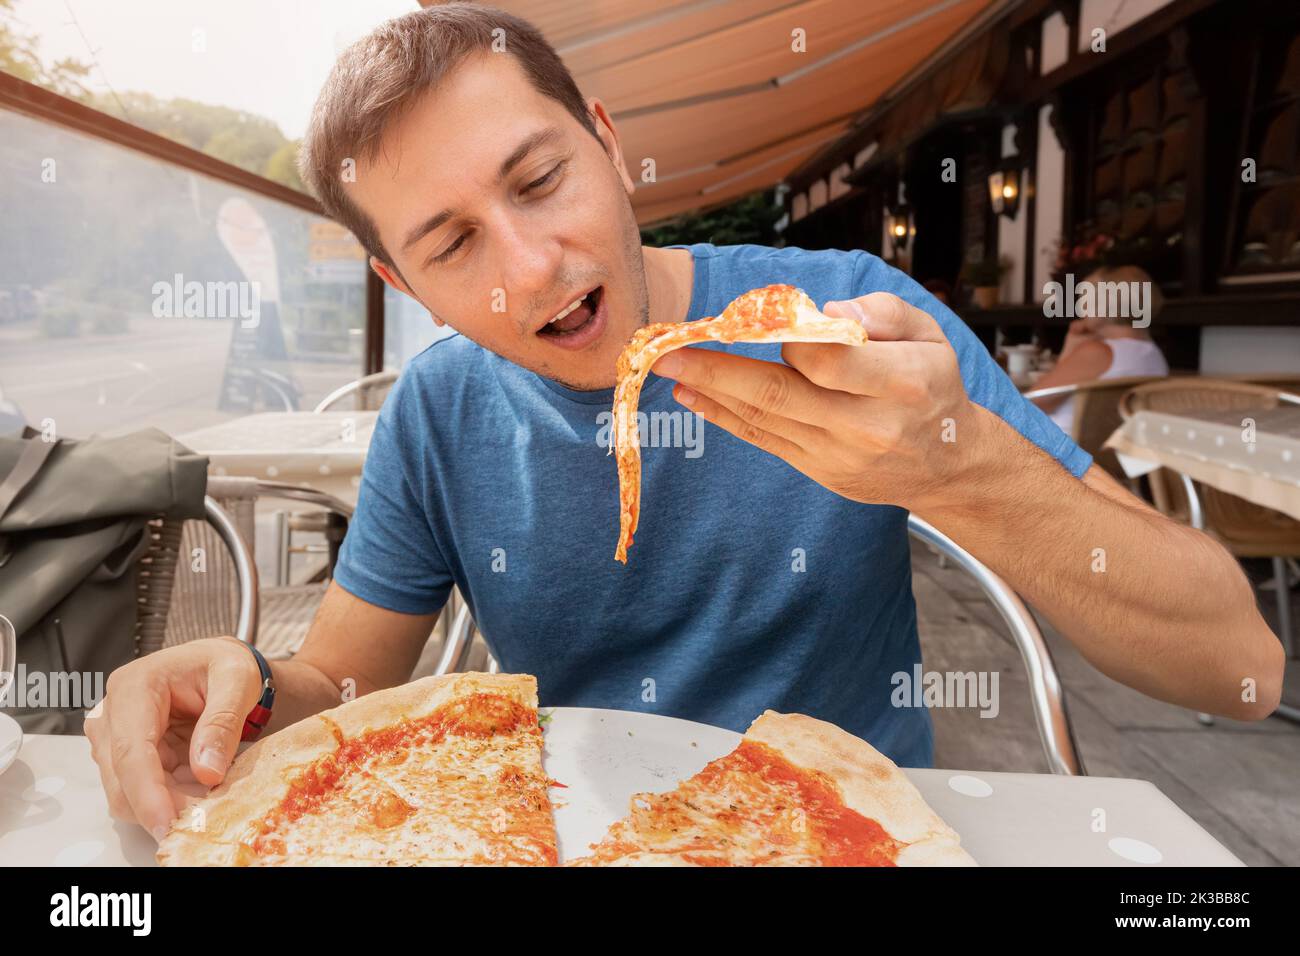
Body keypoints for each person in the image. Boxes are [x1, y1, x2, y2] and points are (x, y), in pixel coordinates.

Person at [84, 3, 1282, 842]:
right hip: (564, 835)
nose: (532, 261)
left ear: (609, 146)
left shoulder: (853, 320)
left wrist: (963, 466)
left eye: (541, 179)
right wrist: (236, 691)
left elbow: (1236, 664)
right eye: (450, 244)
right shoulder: (438, 414)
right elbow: (338, 687)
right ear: (405, 288)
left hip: (854, 828)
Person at [1031, 265, 1170, 434]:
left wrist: (1068, 351)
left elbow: (1029, 406)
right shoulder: (1153, 355)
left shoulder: (1098, 353)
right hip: (1109, 455)